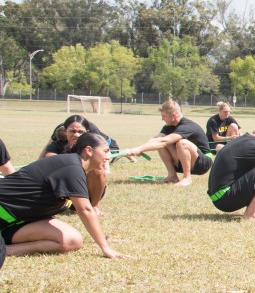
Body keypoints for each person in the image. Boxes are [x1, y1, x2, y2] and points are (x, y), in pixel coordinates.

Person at [0, 131, 125, 259]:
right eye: (105, 151)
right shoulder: (72, 168)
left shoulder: (76, 168)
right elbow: (85, 210)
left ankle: (6, 250)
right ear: (89, 150)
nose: (109, 157)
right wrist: (105, 248)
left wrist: (103, 238)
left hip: (20, 220)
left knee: (72, 240)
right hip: (4, 213)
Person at [123, 100, 213, 187]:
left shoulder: (187, 126)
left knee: (182, 143)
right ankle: (172, 176)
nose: (162, 119)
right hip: (184, 161)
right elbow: (156, 140)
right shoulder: (169, 126)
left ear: (173, 115)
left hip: (202, 164)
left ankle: (187, 178)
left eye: (164, 116)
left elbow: (163, 141)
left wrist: (140, 149)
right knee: (160, 141)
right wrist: (139, 149)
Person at [38, 115, 114, 207]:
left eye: (80, 132)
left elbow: (102, 163)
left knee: (97, 169)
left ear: (87, 132)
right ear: (65, 131)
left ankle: (94, 206)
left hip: (87, 194)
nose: (76, 135)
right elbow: (49, 160)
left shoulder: (91, 148)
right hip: (64, 195)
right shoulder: (56, 146)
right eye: (72, 131)